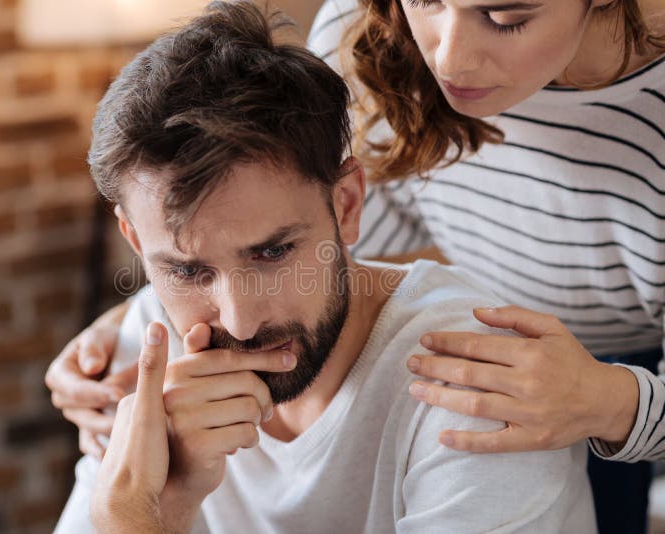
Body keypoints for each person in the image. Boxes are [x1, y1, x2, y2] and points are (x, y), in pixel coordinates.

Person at [46, 0, 665, 532]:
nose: (449, 60)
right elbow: (297, 218)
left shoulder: (468, 392)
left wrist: (613, 402)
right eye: (185, 269)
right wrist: (144, 307)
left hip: (580, 380)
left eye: (272, 252)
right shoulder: (365, 44)